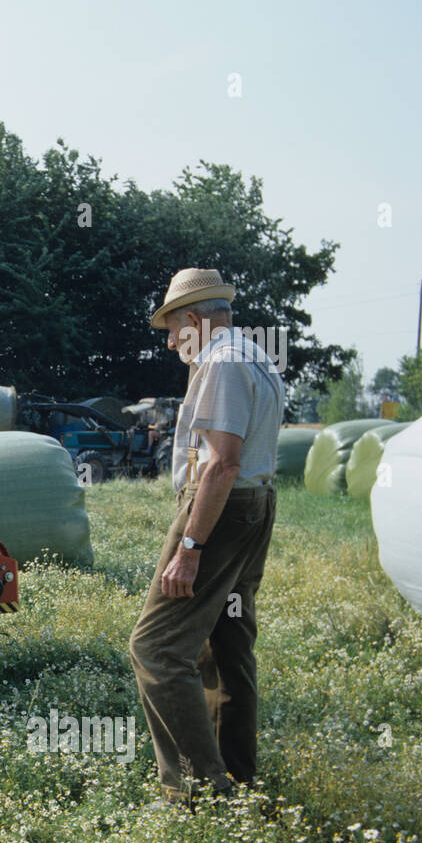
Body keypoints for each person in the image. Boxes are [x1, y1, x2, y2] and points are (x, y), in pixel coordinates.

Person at [128, 269, 285, 807]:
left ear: (193, 321)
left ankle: (197, 791)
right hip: (255, 504)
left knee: (156, 649)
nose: (170, 342)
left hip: (220, 506)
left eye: (172, 330)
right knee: (226, 644)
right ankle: (238, 779)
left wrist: (189, 549)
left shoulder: (220, 362)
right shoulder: (256, 355)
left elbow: (221, 465)